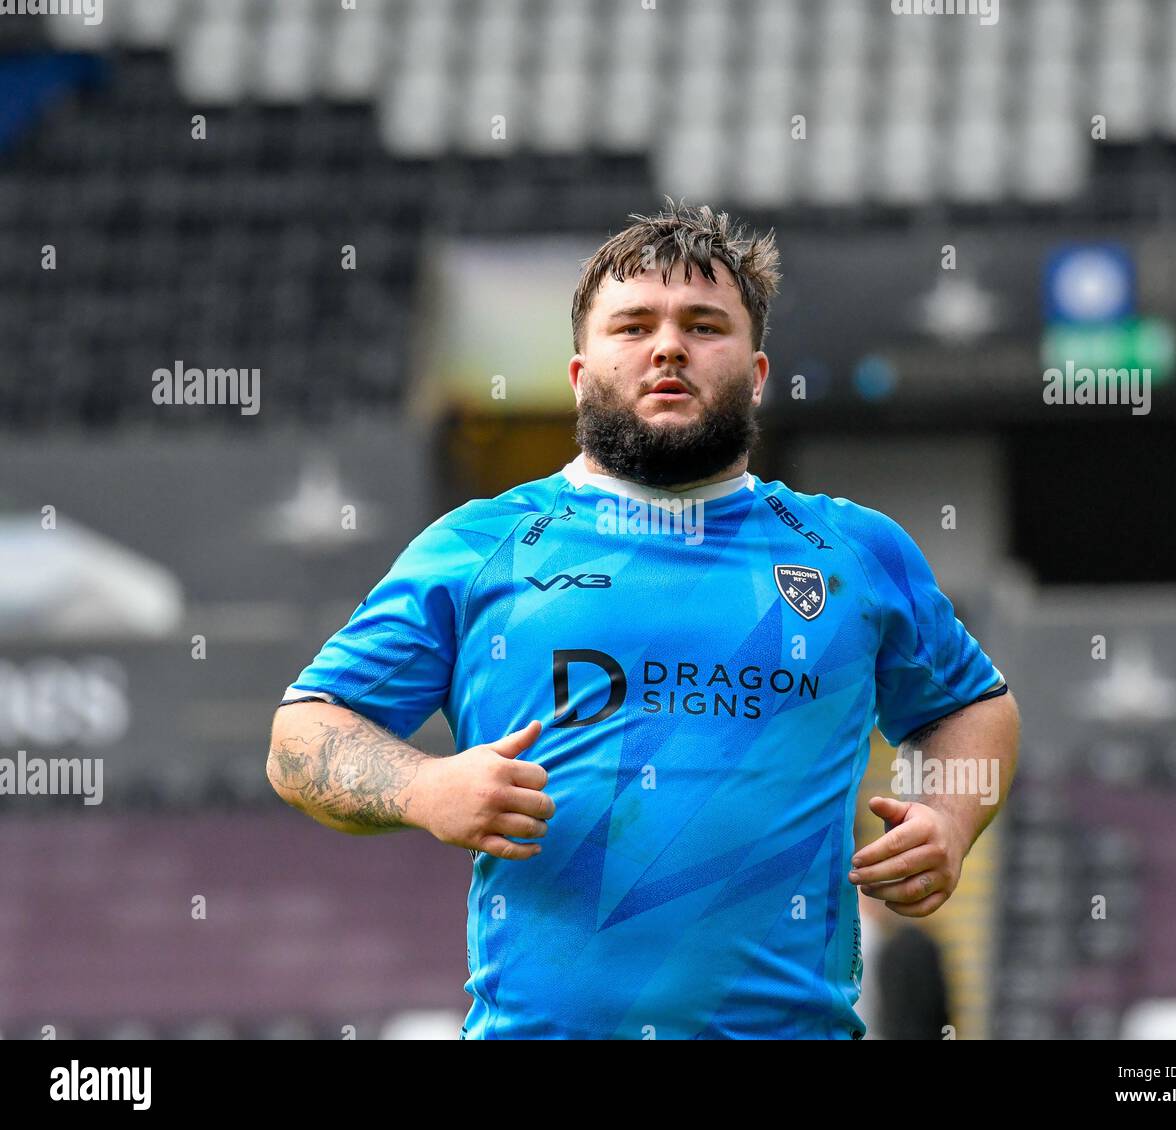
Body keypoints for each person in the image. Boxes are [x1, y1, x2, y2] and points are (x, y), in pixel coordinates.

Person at [266, 199, 1020, 1040]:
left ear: (759, 374)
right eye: (633, 326)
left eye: (704, 325)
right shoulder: (479, 545)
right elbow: (300, 740)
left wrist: (949, 818)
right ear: (582, 374)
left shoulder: (856, 551)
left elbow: (972, 707)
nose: (669, 346)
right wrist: (423, 787)